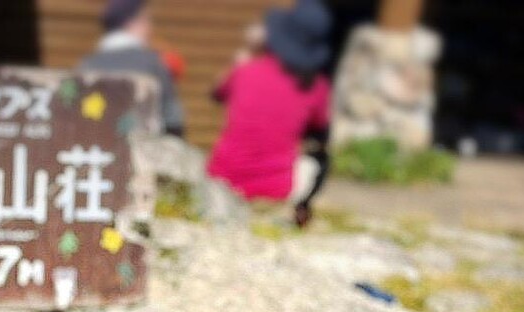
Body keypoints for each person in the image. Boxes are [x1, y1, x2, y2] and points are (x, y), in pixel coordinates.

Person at [208, 0, 334, 227]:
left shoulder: (245, 70)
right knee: (320, 157)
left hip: (222, 179)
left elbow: (216, 94)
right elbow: (319, 130)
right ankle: (301, 213)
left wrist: (248, 52)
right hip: (275, 190)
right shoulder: (316, 87)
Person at [80, 0, 185, 138]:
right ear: (133, 22)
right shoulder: (153, 63)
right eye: (146, 19)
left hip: (99, 150)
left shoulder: (87, 65)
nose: (150, 27)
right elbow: (173, 119)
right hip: (145, 153)